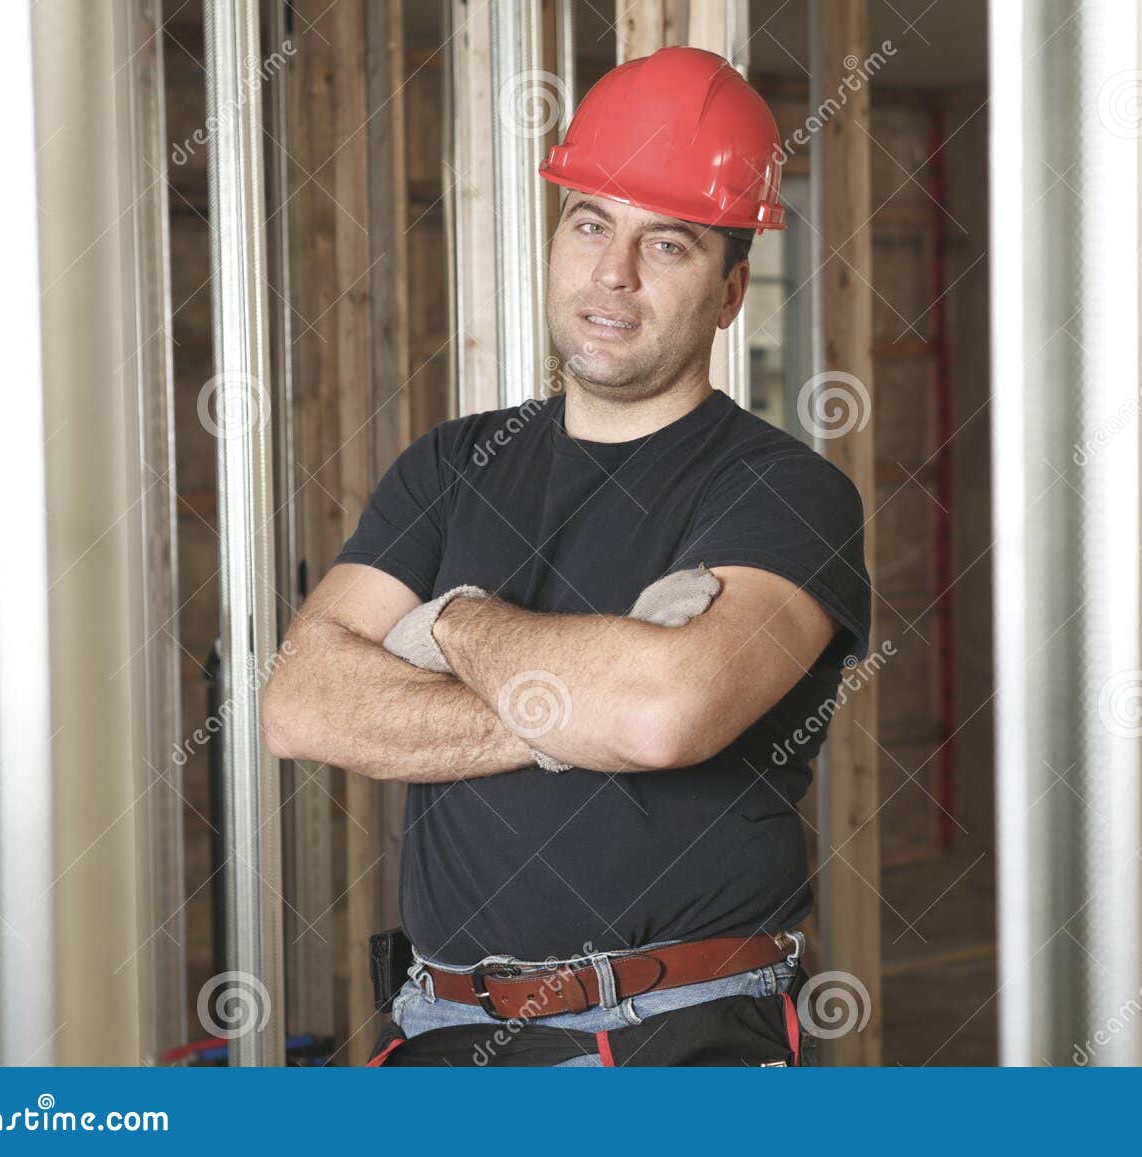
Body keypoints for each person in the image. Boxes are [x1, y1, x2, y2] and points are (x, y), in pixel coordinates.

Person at [261, 45, 871, 1067]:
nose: (612, 273)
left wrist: (450, 621)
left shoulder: (784, 492)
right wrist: (578, 706)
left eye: (667, 245)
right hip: (444, 1026)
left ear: (729, 291)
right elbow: (301, 702)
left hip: (677, 1032)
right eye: (590, 223)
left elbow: (660, 714)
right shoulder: (452, 464)